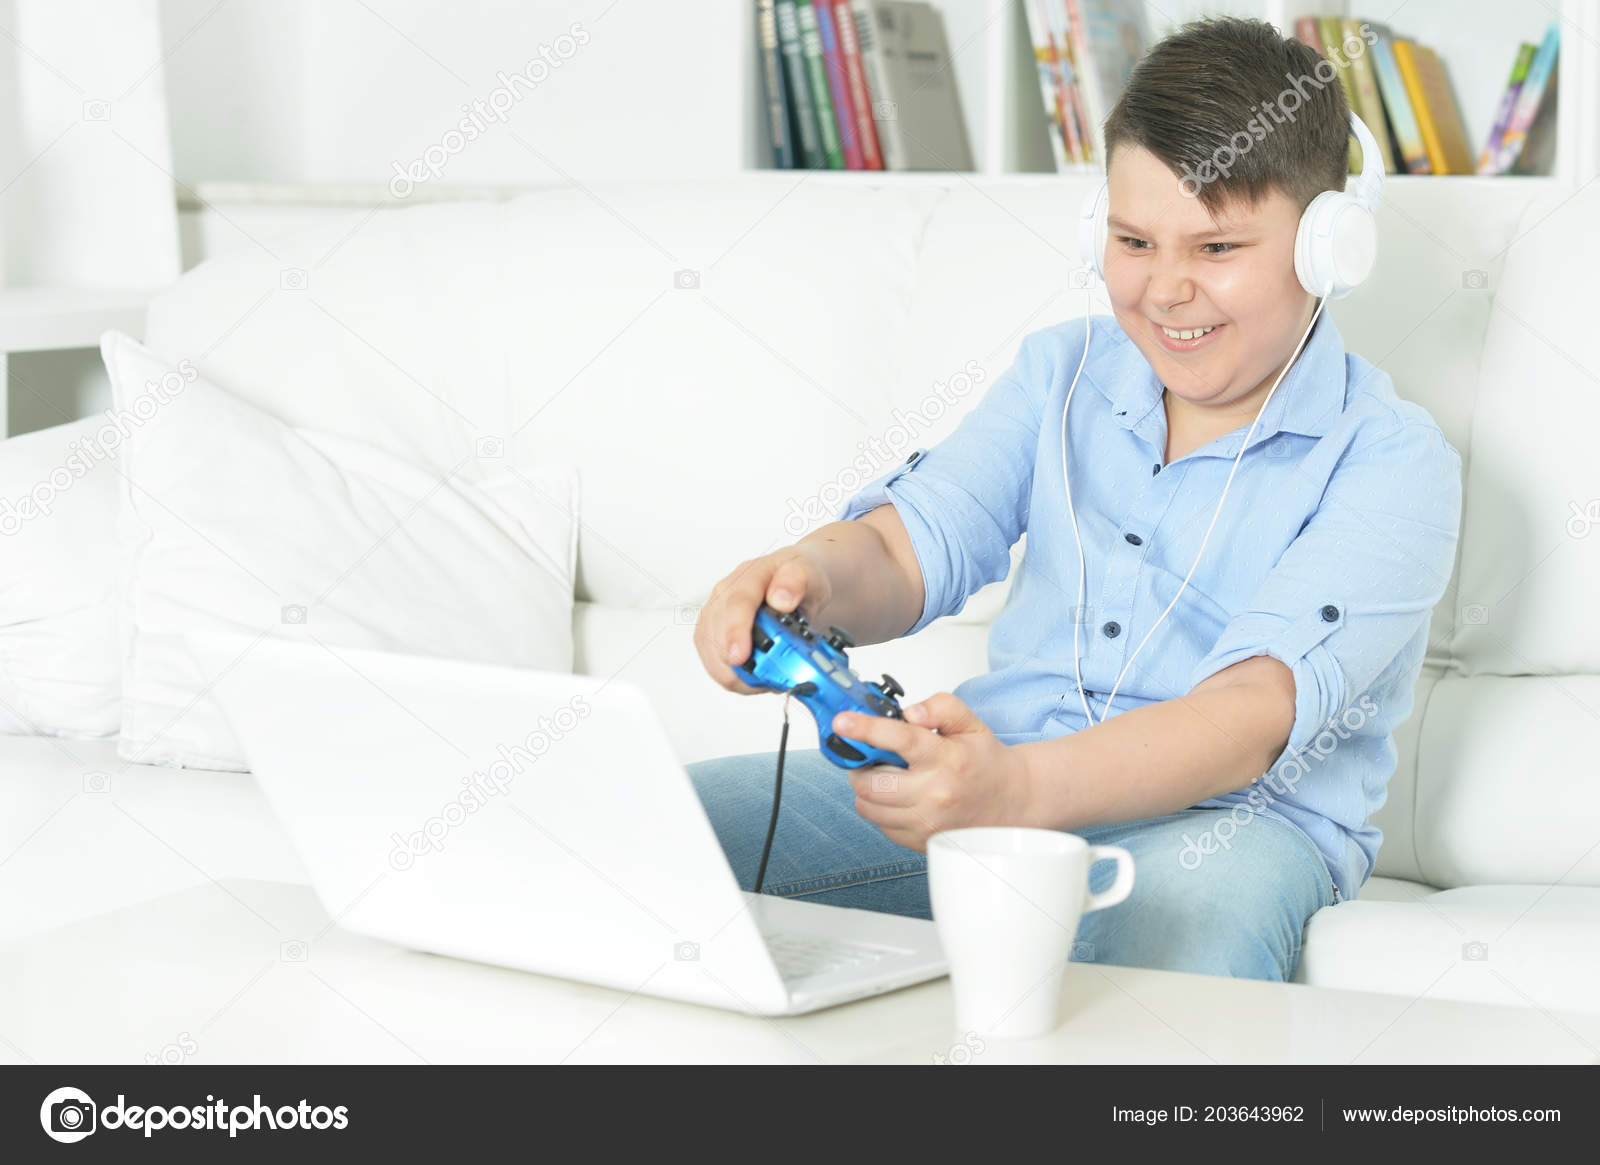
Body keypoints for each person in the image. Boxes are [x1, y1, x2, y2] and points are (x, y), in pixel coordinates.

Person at [685, 17, 1462, 983]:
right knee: (651, 834)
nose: (1168, 289)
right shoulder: (1062, 372)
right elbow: (904, 548)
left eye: (1216, 246)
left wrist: (1015, 790)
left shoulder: (1393, 461)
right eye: (1134, 240)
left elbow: (1249, 715)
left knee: (1188, 927)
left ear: (1325, 249)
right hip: (989, 790)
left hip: (1227, 831)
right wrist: (804, 577)